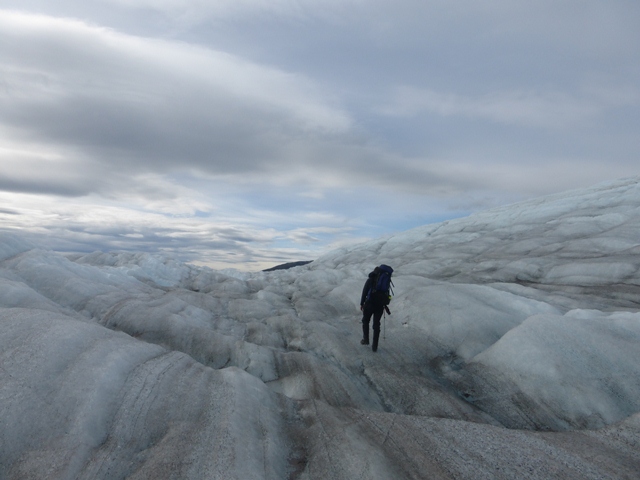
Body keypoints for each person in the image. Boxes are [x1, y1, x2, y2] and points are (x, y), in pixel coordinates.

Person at [360, 267, 386, 352]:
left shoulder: (370, 280)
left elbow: (364, 292)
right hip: (380, 305)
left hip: (370, 304)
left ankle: (366, 339)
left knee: (365, 321)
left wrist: (362, 303)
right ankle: (375, 346)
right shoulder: (384, 282)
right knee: (376, 325)